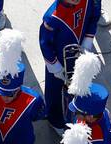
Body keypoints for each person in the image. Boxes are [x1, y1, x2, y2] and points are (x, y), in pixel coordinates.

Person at [0, 29, 46, 144]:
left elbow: (38, 115)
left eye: (10, 93)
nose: (5, 97)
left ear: (19, 87)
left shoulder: (33, 99)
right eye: (1, 92)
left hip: (19, 143)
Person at [39, 0, 99, 129]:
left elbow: (95, 16)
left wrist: (88, 40)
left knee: (81, 84)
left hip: (81, 51)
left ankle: (77, 112)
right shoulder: (51, 17)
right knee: (54, 90)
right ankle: (54, 120)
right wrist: (55, 68)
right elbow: (45, 44)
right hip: (59, 60)